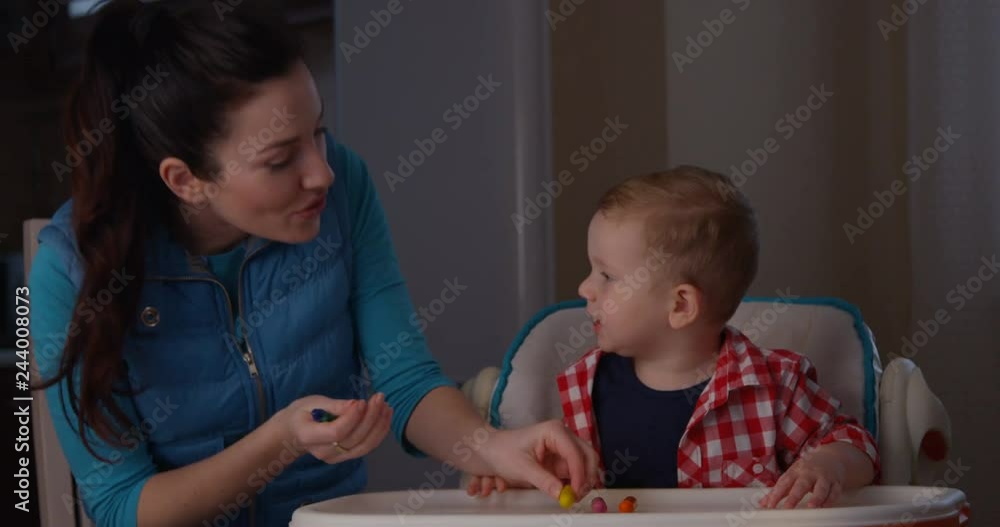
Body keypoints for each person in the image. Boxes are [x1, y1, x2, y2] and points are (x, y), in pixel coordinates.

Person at [29, 2, 598, 525]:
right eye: (280, 159)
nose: (321, 173)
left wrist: (493, 446)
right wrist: (281, 442)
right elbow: (123, 506)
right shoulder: (67, 271)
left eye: (318, 134)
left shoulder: (344, 187)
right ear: (186, 180)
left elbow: (404, 379)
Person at [467, 167, 878, 509]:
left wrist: (830, 466)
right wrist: (521, 483)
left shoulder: (776, 387)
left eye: (606, 276)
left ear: (680, 306)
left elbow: (856, 442)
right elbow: (565, 492)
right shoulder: (583, 389)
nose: (585, 288)